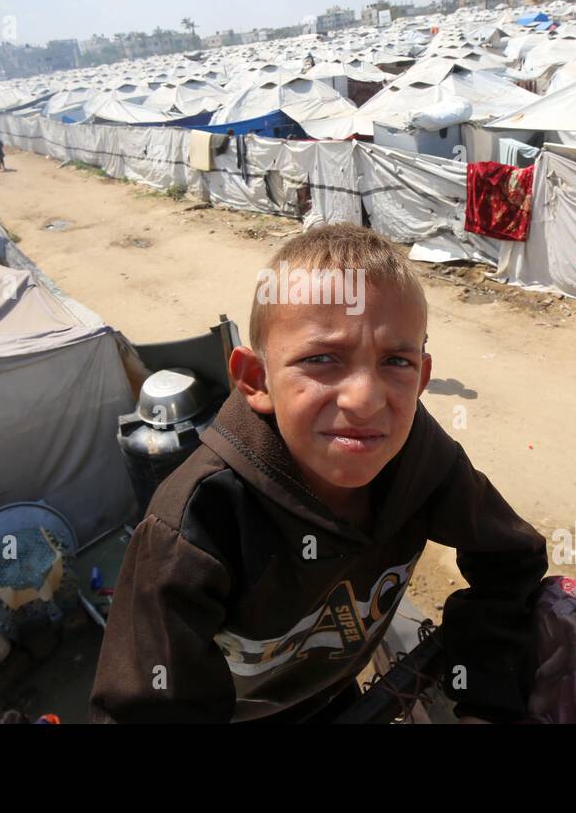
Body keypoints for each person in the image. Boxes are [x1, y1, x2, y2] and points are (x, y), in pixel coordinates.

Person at [89, 224, 548, 723]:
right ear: (256, 380)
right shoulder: (195, 524)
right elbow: (145, 709)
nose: (366, 400)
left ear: (422, 378)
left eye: (396, 360)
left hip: (334, 693)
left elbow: (510, 560)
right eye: (322, 359)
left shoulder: (422, 460)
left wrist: (485, 701)